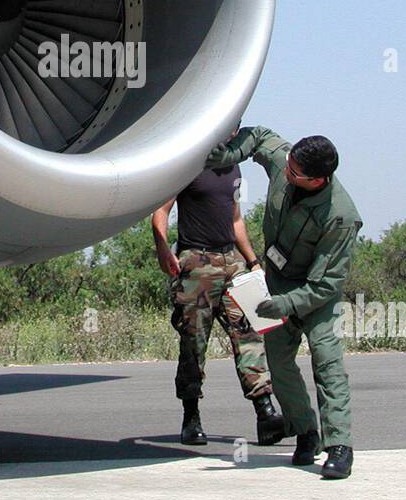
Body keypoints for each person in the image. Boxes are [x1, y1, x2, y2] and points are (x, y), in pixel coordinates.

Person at [205, 128, 361, 478]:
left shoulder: (341, 217)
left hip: (316, 296)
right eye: (287, 167)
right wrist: (229, 154)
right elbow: (258, 137)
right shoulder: (284, 161)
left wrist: (286, 304)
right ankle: (306, 433)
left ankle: (339, 447)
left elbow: (327, 284)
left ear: (318, 180)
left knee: (327, 363)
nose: (286, 175)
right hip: (276, 285)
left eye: (295, 174)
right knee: (277, 361)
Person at [151, 155, 285, 448]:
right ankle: (191, 417)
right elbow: (160, 211)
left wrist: (253, 262)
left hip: (232, 261)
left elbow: (236, 218)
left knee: (250, 332)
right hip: (196, 261)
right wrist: (162, 246)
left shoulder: (233, 167)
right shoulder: (188, 163)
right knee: (193, 341)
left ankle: (266, 413)